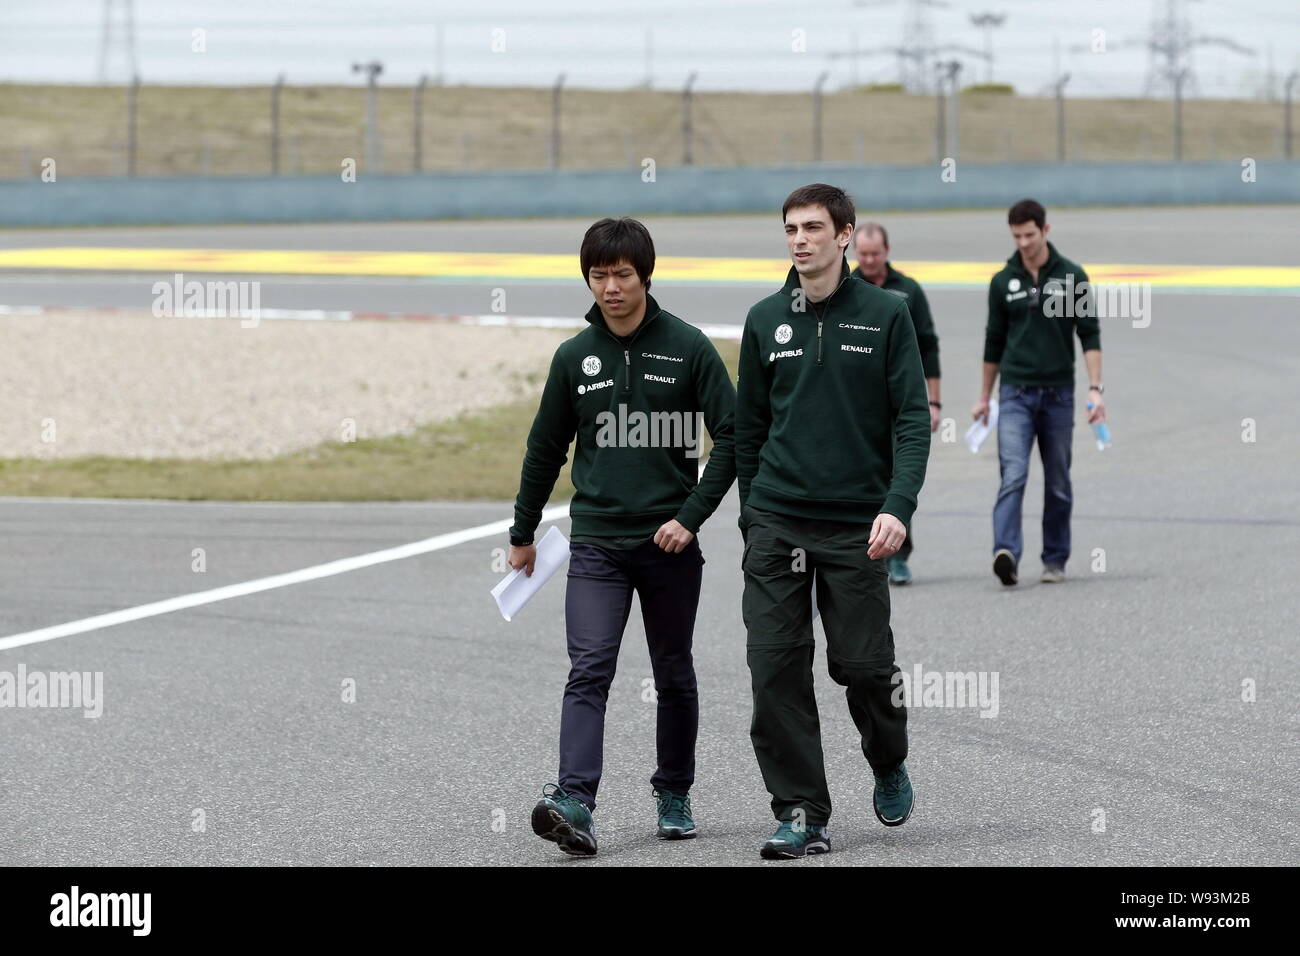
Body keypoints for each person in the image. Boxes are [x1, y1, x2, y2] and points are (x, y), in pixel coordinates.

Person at [507, 217, 737, 856]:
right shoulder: (573, 358)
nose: (610, 287)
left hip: (670, 546)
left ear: (645, 276)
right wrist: (522, 531)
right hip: (597, 545)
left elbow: (736, 436)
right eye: (598, 275)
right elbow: (545, 447)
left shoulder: (688, 348)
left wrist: (689, 517)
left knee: (674, 673)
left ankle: (674, 791)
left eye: (622, 274)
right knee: (589, 668)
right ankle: (574, 801)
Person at [734, 184, 930, 859]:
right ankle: (800, 811)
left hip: (858, 525)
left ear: (844, 235)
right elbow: (748, 430)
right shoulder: (764, 320)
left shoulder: (886, 314)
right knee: (773, 668)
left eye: (813, 227)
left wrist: (896, 508)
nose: (799, 239)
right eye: (790, 228)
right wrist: (752, 519)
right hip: (778, 522)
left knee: (865, 667)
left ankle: (887, 757)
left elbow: (910, 420)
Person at [971, 198, 1105, 586]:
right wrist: (984, 397)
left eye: (1030, 235)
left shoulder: (1072, 276)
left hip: (1059, 395)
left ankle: (1055, 558)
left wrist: (1096, 389)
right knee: (1013, 472)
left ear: (1045, 231)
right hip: (1015, 394)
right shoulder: (1002, 281)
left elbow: (1090, 334)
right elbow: (992, 342)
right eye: (1017, 236)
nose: (1024, 242)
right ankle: (1006, 553)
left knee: (1058, 479)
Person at [851, 222, 942, 585]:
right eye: (864, 254)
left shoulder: (908, 290)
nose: (870, 260)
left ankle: (900, 555)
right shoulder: (846, 289)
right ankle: (863, 549)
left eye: (876, 253)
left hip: (900, 400)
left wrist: (934, 401)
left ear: (887, 251)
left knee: (898, 476)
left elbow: (929, 345)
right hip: (858, 403)